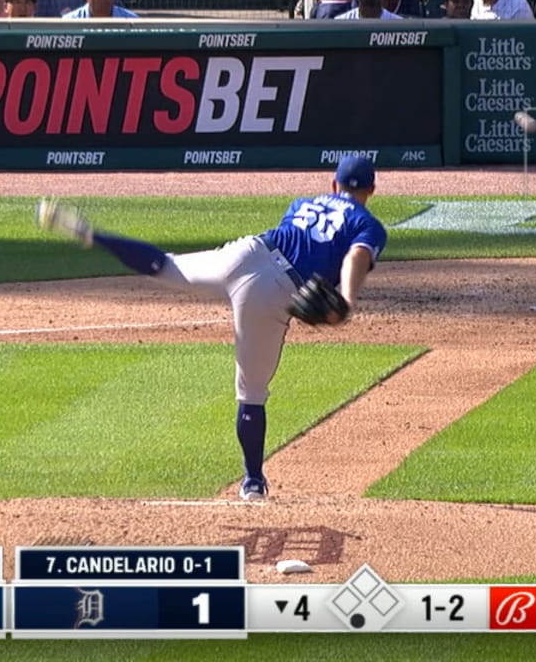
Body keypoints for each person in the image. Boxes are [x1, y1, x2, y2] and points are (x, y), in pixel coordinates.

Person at [33, 153, 387, 502]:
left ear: (333, 183)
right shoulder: (369, 225)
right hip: (271, 291)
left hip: (246, 251)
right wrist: (348, 302)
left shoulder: (301, 203)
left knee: (167, 266)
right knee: (251, 391)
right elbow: (356, 255)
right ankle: (252, 481)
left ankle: (93, 234)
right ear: (372, 189)